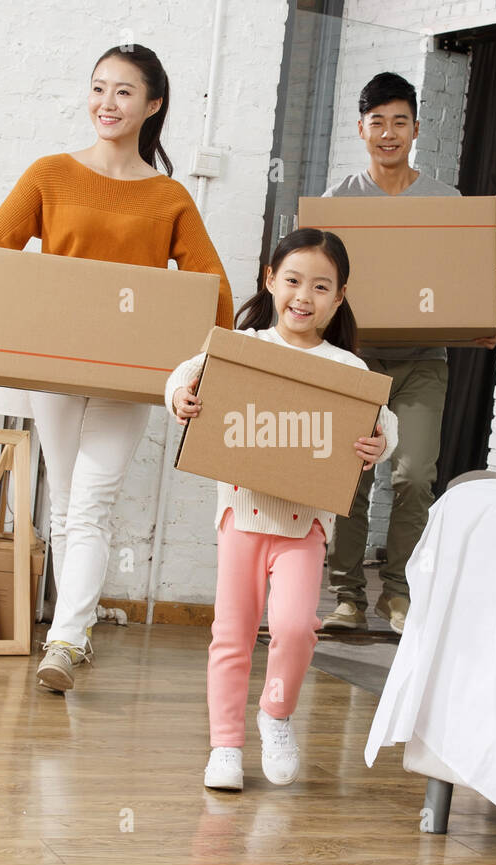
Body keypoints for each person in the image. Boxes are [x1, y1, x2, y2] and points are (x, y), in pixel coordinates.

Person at [0, 44, 234, 693]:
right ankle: (69, 633)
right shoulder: (51, 174)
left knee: (93, 503)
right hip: (55, 366)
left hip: (128, 376)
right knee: (66, 507)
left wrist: (200, 365)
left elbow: (212, 288)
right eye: (99, 89)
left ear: (153, 104)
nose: (107, 104)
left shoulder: (169, 198)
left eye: (124, 92)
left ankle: (65, 640)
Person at [166, 228, 398, 790]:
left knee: (295, 629)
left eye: (322, 287)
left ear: (338, 298)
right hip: (242, 515)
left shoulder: (347, 366)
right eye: (293, 280)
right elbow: (184, 376)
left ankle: (275, 715)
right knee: (233, 633)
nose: (304, 295)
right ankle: (225, 747)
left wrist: (379, 442)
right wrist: (181, 396)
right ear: (271, 281)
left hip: (304, 523)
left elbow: (381, 419)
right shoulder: (243, 347)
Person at [321, 72, 496, 635]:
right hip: (357, 358)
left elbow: (483, 271)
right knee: (349, 477)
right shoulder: (340, 201)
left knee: (414, 475)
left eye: (399, 121)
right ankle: (347, 596)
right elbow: (311, 273)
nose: (388, 132)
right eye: (377, 122)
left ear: (416, 129)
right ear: (361, 129)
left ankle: (396, 594)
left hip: (423, 361)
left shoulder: (444, 201)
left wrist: (492, 311)